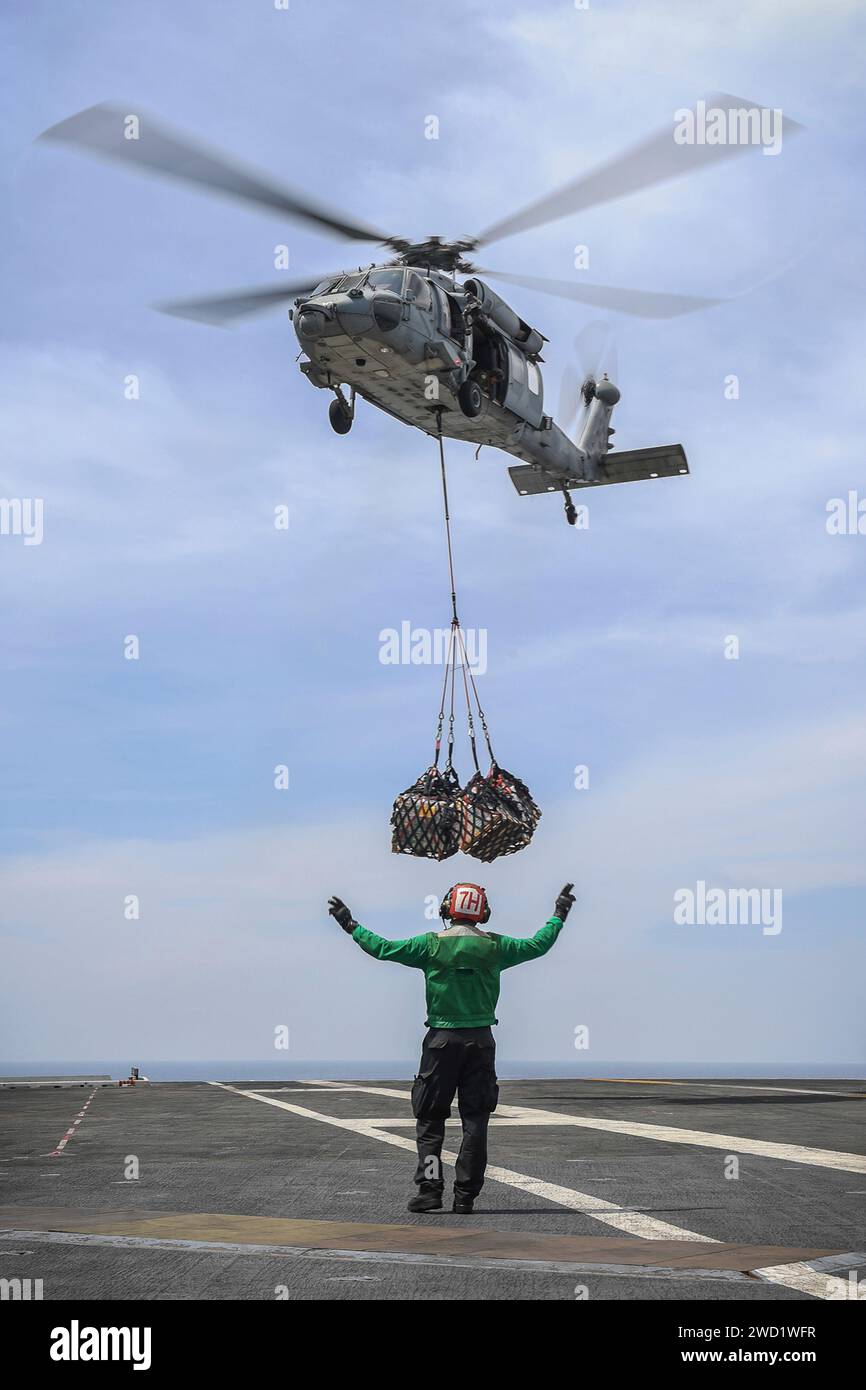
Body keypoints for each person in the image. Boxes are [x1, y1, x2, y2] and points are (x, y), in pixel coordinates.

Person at [326, 881, 575, 1214]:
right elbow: (538, 944)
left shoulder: (430, 946)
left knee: (430, 1120)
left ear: (446, 909)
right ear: (482, 912)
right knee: (476, 1121)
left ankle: (430, 1190)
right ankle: (465, 1196)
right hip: (481, 1043)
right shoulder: (496, 946)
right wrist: (559, 913)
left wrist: (350, 925)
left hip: (441, 1043)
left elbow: (382, 948)